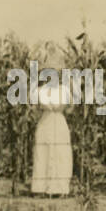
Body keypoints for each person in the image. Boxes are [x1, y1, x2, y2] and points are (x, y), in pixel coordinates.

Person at [31, 67, 72, 196]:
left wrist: (62, 108)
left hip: (59, 122)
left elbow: (71, 106)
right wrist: (45, 107)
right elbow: (35, 106)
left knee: (60, 153)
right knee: (43, 152)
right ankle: (40, 188)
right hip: (46, 122)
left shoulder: (64, 90)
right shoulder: (41, 91)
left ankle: (60, 189)